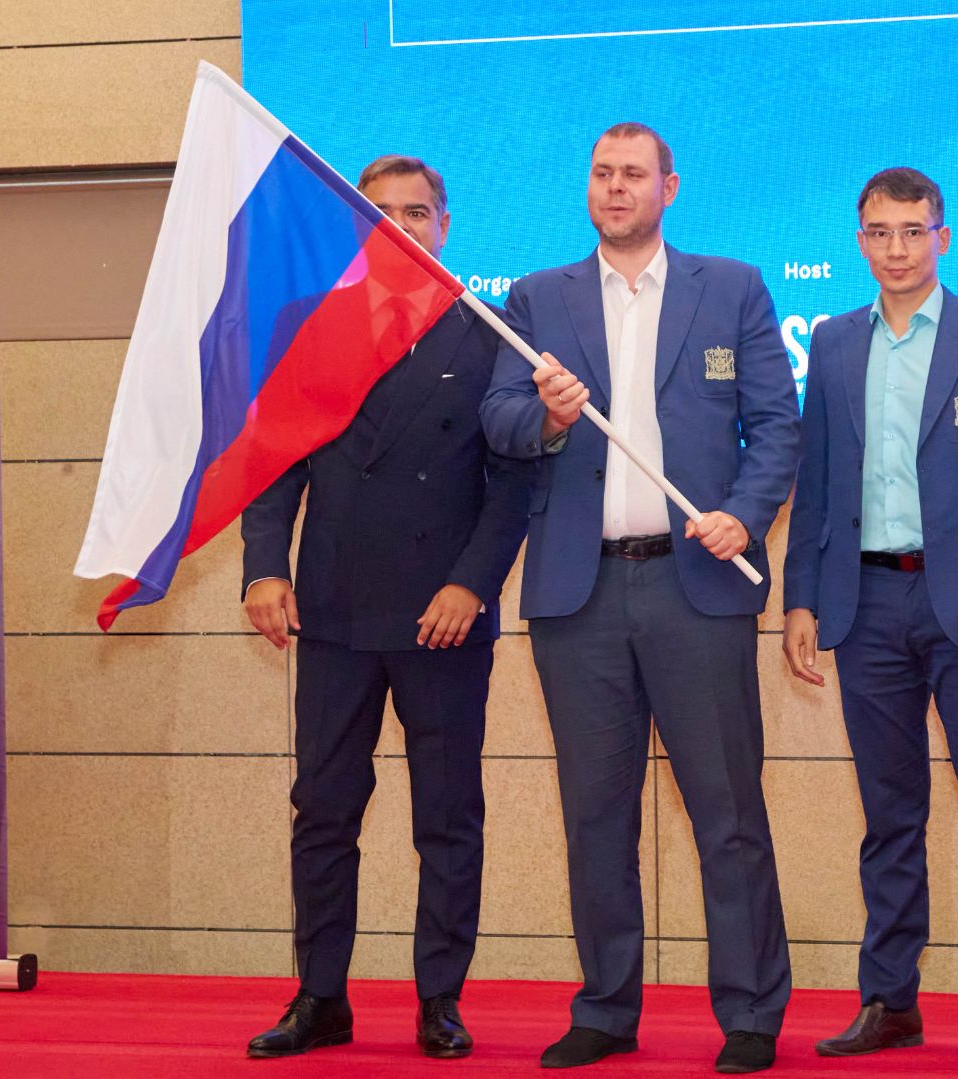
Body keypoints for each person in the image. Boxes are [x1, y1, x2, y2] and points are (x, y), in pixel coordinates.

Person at [478, 123, 800, 1074]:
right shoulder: (538, 297)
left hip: (695, 586)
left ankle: (750, 1012)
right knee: (595, 816)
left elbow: (777, 427)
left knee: (727, 813)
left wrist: (745, 514)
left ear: (669, 187)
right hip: (578, 596)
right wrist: (547, 417)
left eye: (633, 174)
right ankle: (606, 1008)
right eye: (602, 174)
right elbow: (498, 418)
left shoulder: (732, 288)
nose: (615, 188)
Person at [240, 155, 532, 1060]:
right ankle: (319, 996)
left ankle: (440, 999)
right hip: (332, 607)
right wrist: (263, 567)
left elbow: (514, 482)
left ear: (445, 224)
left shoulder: (488, 331)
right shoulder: (308, 324)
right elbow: (272, 459)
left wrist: (471, 583)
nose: (401, 226)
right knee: (323, 810)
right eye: (381, 212)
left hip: (444, 616)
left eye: (417, 211)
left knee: (447, 818)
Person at [782, 167, 958, 1067]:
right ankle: (890, 1000)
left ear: (943, 236)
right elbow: (817, 482)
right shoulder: (832, 341)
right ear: (860, 241)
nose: (896, 248)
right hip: (864, 605)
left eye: (912, 230)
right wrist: (799, 597)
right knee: (888, 816)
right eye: (879, 232)